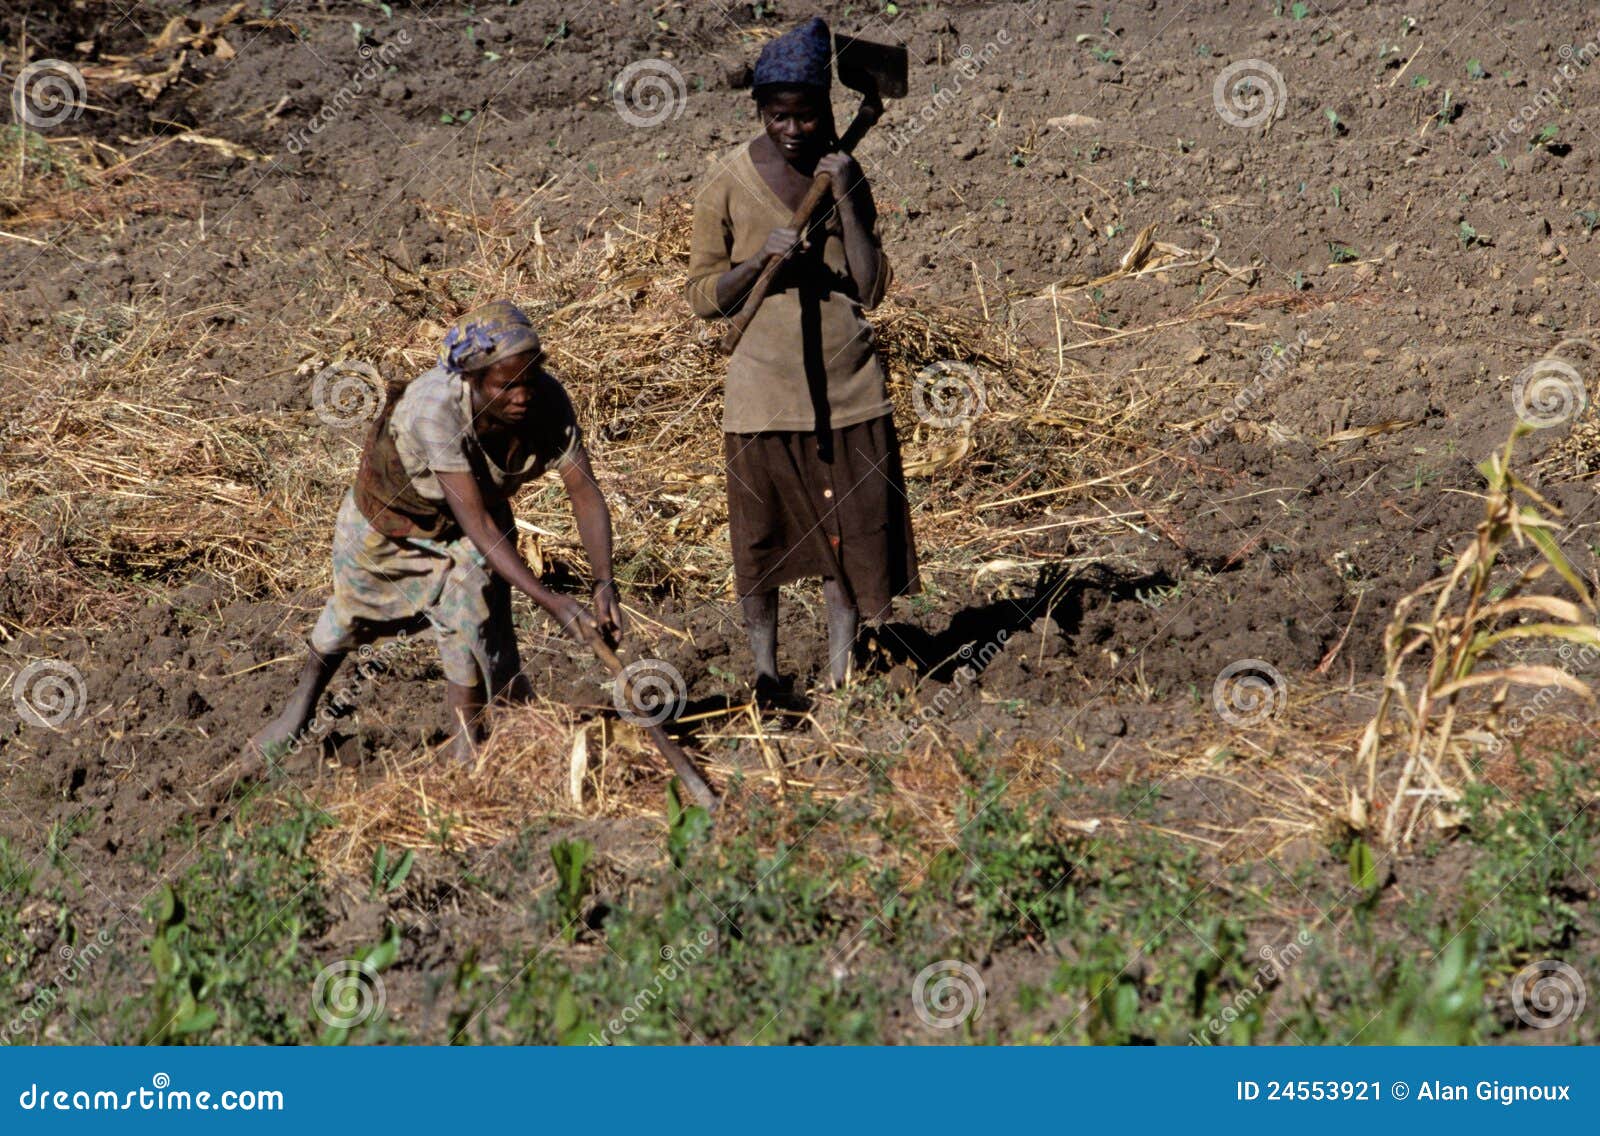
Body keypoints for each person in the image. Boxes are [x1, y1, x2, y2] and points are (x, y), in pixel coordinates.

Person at [251, 301, 622, 763]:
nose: (521, 395)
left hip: (471, 523)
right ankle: (300, 708)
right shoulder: (435, 412)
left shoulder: (546, 401)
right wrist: (553, 601)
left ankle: (468, 745)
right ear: (473, 380)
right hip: (391, 523)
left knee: (473, 621)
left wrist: (603, 582)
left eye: (527, 380)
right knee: (350, 615)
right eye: (505, 385)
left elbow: (584, 492)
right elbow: (481, 526)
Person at [685, 15, 919, 699]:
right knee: (761, 542)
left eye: (810, 116)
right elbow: (703, 296)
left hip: (848, 384)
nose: (795, 130)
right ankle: (765, 675)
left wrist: (846, 202)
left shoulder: (845, 173)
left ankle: (843, 674)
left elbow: (872, 288)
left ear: (829, 111)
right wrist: (759, 260)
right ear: (761, 112)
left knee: (847, 538)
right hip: (762, 392)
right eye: (780, 117)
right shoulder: (726, 184)